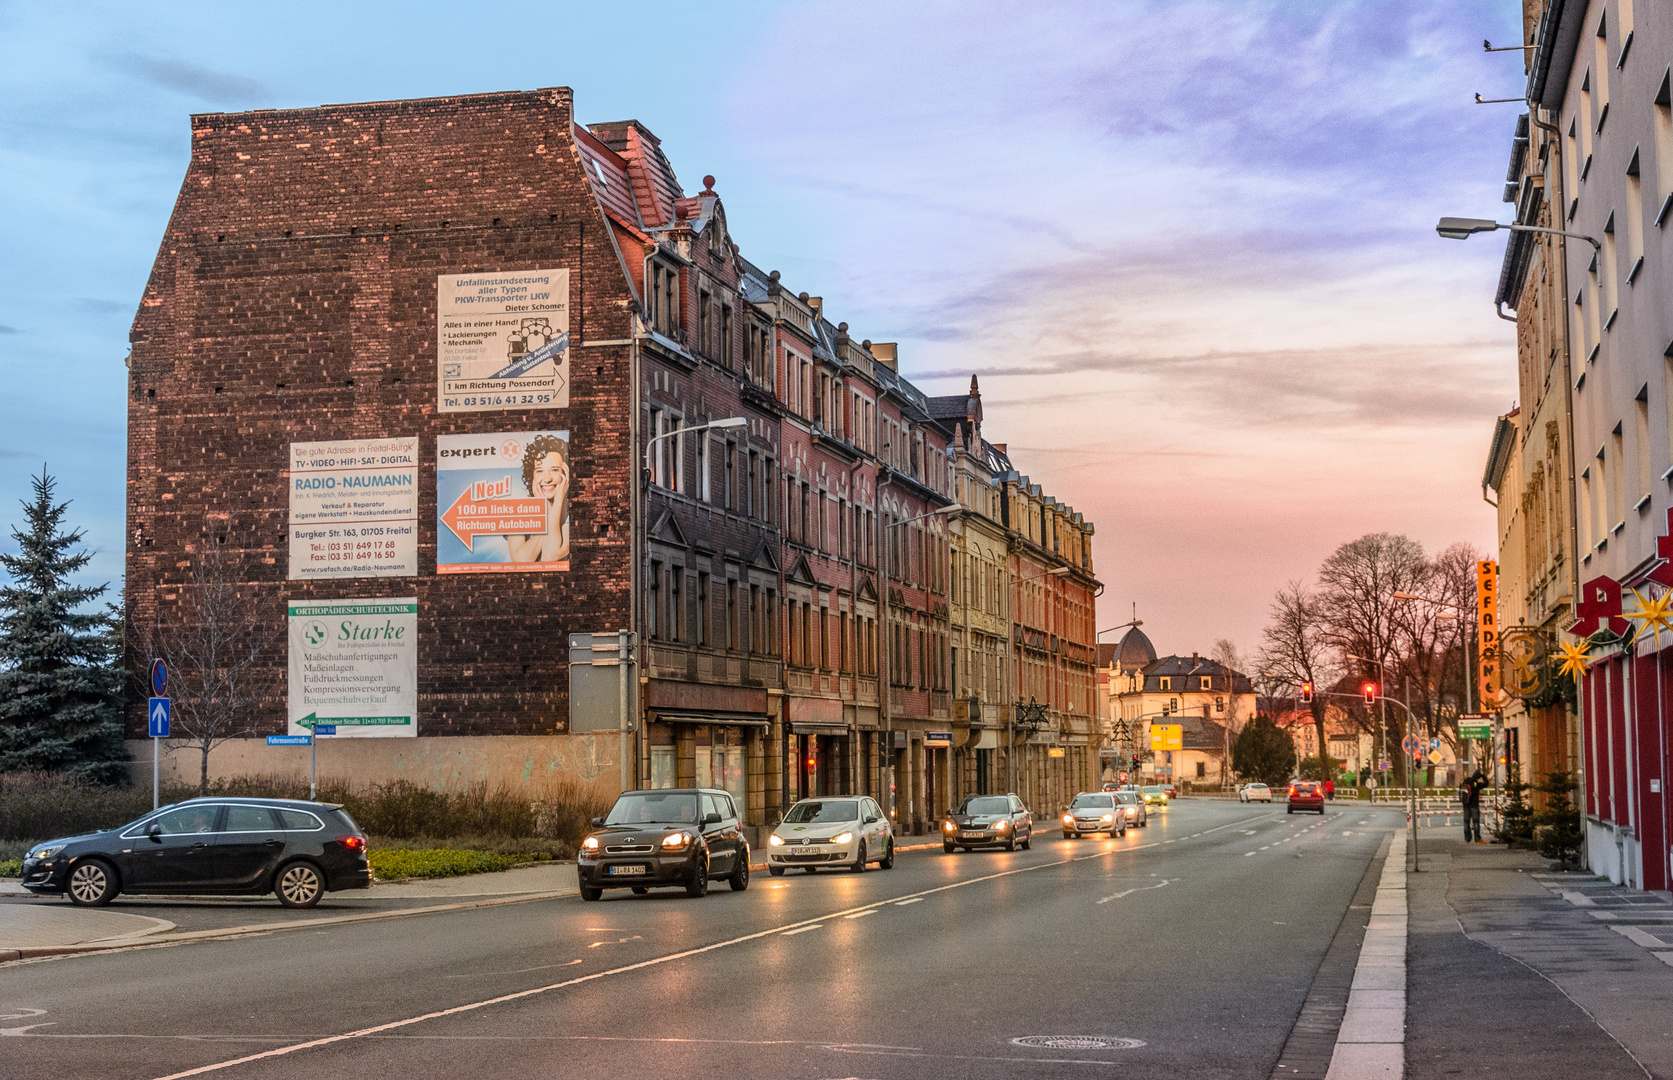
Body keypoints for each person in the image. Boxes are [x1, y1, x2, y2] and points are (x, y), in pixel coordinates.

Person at [507, 434, 571, 564]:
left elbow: (549, 556)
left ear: (565, 473)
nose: (547, 479)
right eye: (540, 471)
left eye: (554, 470)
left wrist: (557, 502)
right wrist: (546, 509)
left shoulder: (573, 512)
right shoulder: (518, 511)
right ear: (532, 475)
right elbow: (521, 562)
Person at [1459, 767, 1488, 843]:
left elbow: (1460, 787)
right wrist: (1483, 776)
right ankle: (1477, 839)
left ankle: (1467, 839)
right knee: (1475, 822)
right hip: (1474, 805)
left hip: (1466, 805)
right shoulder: (1476, 784)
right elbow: (1486, 783)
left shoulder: (1464, 782)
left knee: (1466, 822)